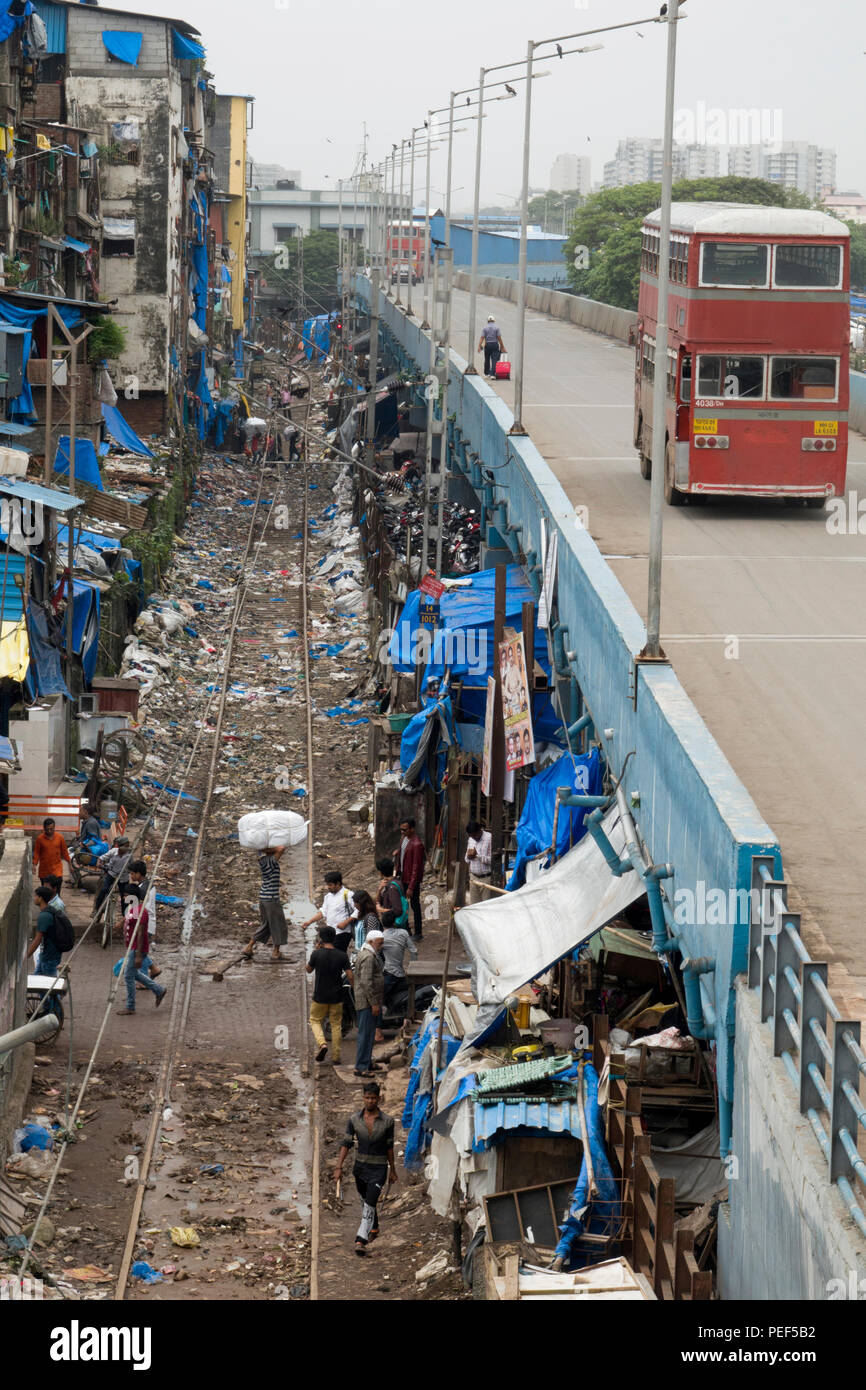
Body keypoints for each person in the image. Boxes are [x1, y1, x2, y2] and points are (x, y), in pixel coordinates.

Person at [333, 1081, 397, 1256]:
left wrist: (392, 1169)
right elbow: (346, 1143)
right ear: (363, 1098)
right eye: (367, 1098)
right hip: (360, 1168)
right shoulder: (354, 1120)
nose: (370, 1101)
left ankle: (361, 1239)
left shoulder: (388, 1122)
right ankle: (374, 1227)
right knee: (364, 1200)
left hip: (379, 1168)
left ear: (379, 1099)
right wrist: (338, 1167)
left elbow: (390, 1147)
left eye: (373, 1098)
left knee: (370, 1202)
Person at [306, 924, 353, 1064]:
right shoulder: (342, 955)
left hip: (319, 996)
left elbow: (308, 970)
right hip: (337, 996)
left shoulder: (316, 954)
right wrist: (354, 987)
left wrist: (315, 951)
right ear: (334, 938)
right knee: (336, 1025)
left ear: (321, 939)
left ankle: (322, 1044)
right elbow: (350, 975)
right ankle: (336, 1056)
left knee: (314, 1020)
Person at [116, 891, 167, 1016]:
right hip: (132, 947)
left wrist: (138, 955)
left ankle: (130, 1006)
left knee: (128, 976)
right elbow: (128, 919)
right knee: (134, 974)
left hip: (137, 948)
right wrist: (121, 924)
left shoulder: (141, 912)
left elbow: (140, 933)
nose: (124, 897)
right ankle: (158, 990)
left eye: (126, 895)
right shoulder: (133, 909)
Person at [242, 844, 288, 962]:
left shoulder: (263, 860)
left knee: (266, 925)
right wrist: (274, 847)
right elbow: (281, 848)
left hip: (263, 897)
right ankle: (276, 952)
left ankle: (249, 947)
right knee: (279, 925)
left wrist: (266, 848)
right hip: (271, 899)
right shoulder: (271, 861)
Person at [352, 929, 384, 1078]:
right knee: (365, 1034)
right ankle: (361, 1067)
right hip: (366, 1002)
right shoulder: (368, 957)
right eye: (379, 943)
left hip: (368, 1001)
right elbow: (366, 982)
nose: (381, 945)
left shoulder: (367, 953)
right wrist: (374, 1003)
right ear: (371, 942)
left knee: (369, 1034)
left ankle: (367, 1062)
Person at [301, 871, 357, 954]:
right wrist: (309, 922)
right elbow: (323, 912)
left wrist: (346, 922)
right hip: (330, 933)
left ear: (337, 884)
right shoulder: (328, 897)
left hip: (342, 933)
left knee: (337, 955)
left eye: (330, 885)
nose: (328, 887)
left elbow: (358, 910)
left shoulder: (348, 895)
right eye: (327, 885)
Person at [381, 911, 417, 1011]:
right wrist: (412, 969)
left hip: (389, 973)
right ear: (394, 923)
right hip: (401, 973)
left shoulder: (381, 937)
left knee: (379, 998)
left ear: (383, 923)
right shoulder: (403, 933)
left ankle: (381, 1019)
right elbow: (414, 951)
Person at [397, 818, 425, 941]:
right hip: (403, 876)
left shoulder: (417, 844)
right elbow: (402, 853)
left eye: (405, 829)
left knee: (414, 905)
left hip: (411, 880)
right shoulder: (404, 839)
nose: (402, 832)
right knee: (403, 904)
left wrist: (411, 887)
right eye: (401, 829)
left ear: (412, 829)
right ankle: (406, 929)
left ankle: (418, 933)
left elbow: (416, 867)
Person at [27, 886, 63, 977]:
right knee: (37, 982)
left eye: (35, 896)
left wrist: (27, 955)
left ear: (40, 898)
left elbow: (38, 939)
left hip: (49, 958)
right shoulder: (50, 910)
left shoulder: (44, 916)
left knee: (50, 987)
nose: (34, 898)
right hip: (46, 956)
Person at [93, 835, 130, 915]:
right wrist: (98, 863)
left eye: (127, 846)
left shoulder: (129, 855)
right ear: (119, 846)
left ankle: (124, 914)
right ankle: (96, 909)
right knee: (104, 889)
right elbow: (101, 858)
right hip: (112, 873)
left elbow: (132, 866)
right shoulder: (113, 851)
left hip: (123, 877)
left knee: (124, 896)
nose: (126, 848)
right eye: (125, 846)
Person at [33, 818, 71, 884]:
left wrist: (70, 864)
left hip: (57, 870)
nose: (49, 831)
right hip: (44, 870)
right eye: (47, 829)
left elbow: (64, 852)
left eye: (51, 829)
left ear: (54, 828)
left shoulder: (60, 837)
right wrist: (34, 865)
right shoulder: (40, 839)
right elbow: (37, 852)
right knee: (45, 892)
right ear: (44, 828)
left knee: (57, 893)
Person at [465, 819, 493, 904]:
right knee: (474, 906)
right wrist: (468, 856)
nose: (474, 838)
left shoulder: (489, 838)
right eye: (471, 836)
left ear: (480, 830)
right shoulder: (471, 839)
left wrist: (478, 856)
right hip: (473, 878)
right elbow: (466, 859)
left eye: (475, 835)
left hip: (486, 879)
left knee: (486, 906)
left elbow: (493, 860)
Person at [376, 857, 407, 928]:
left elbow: (398, 911)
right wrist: (379, 890)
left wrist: (382, 910)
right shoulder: (391, 882)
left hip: (394, 926)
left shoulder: (392, 887)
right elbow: (378, 902)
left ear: (381, 872)